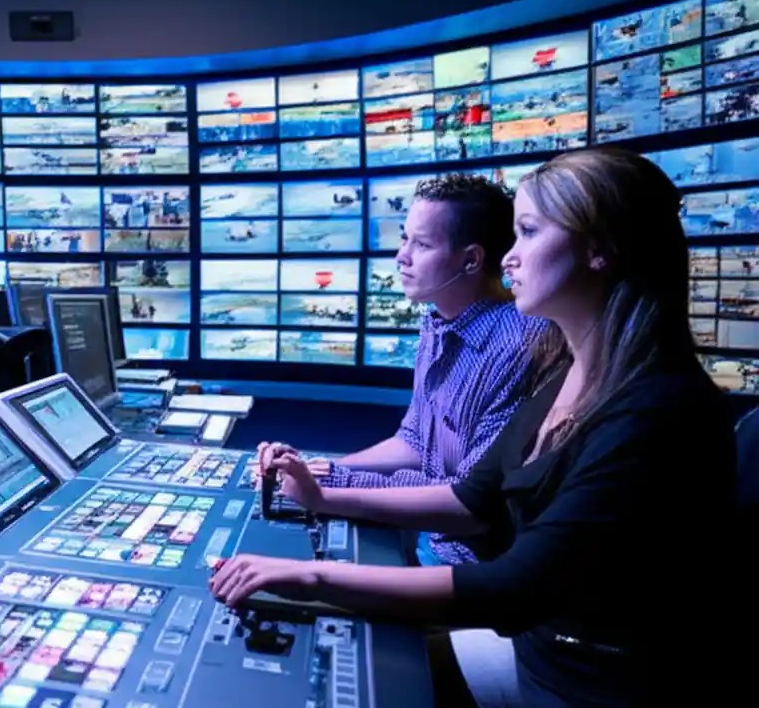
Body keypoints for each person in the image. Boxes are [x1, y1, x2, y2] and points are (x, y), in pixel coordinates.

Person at [212, 147, 736, 706]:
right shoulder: (565, 371)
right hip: (534, 645)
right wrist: (323, 491)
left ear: (599, 250)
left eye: (528, 233)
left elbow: (511, 588)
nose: (507, 259)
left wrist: (309, 576)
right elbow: (470, 499)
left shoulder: (655, 412)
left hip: (582, 683)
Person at [263, 173, 548, 567]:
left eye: (422, 244)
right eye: (404, 238)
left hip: (468, 564)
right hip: (425, 535)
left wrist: (332, 486)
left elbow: (472, 507)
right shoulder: (437, 324)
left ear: (471, 260)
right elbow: (414, 442)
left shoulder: (519, 346)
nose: (402, 256)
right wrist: (319, 467)